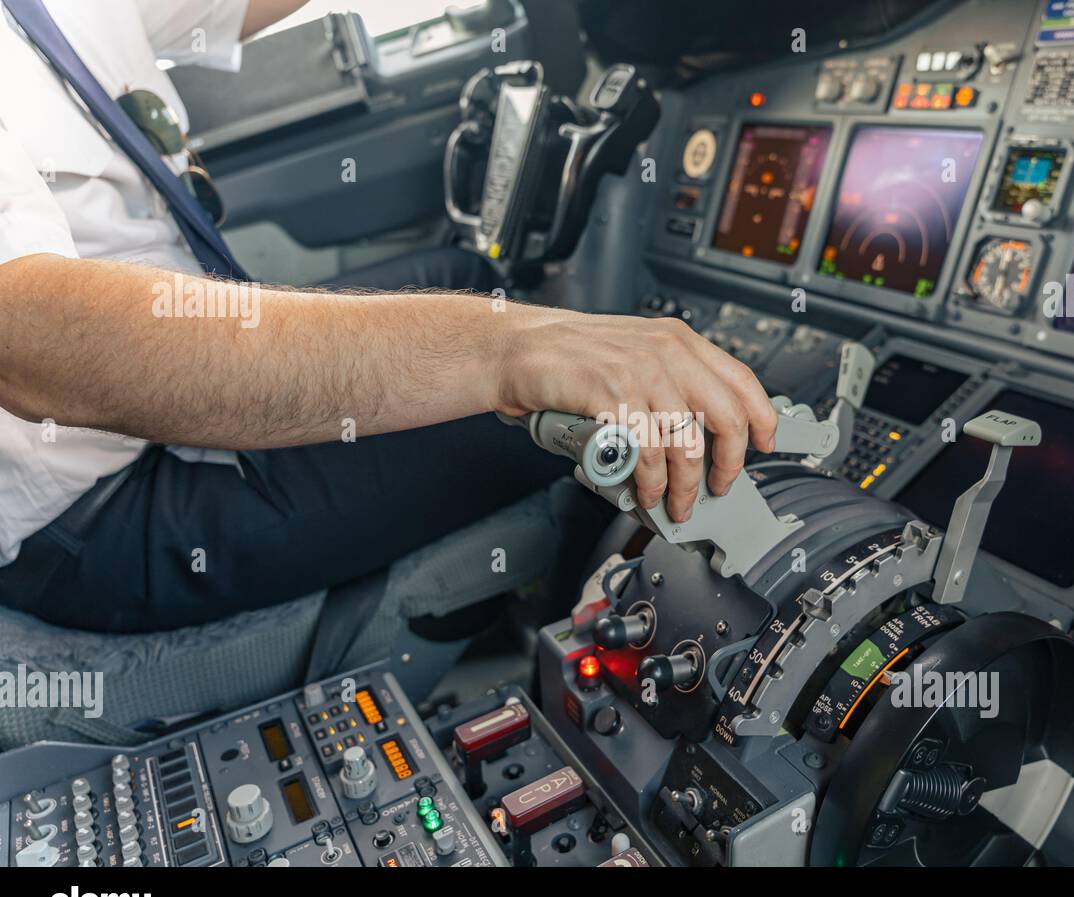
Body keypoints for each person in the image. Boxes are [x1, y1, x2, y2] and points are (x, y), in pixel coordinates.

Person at [0, 0, 776, 633]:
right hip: (94, 505)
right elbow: (39, 344)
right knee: (564, 423)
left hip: (165, 386)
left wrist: (520, 332)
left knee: (471, 279)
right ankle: (560, 640)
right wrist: (510, 355)